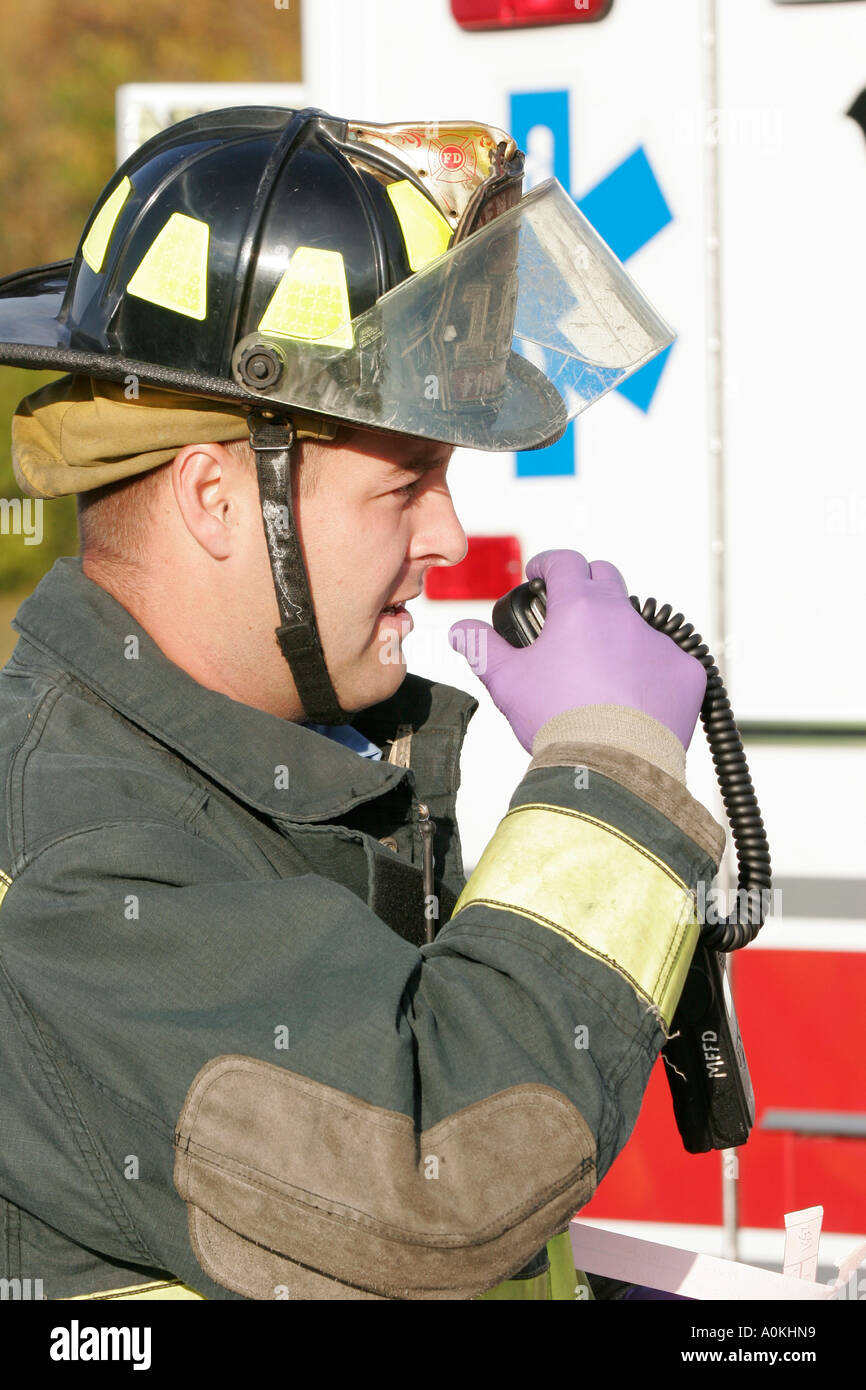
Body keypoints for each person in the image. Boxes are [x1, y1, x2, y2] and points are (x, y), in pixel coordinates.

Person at [0, 107, 722, 1301]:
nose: (445, 533)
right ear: (217, 498)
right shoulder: (80, 862)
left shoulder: (279, 764)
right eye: (405, 484)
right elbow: (439, 1182)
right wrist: (608, 769)